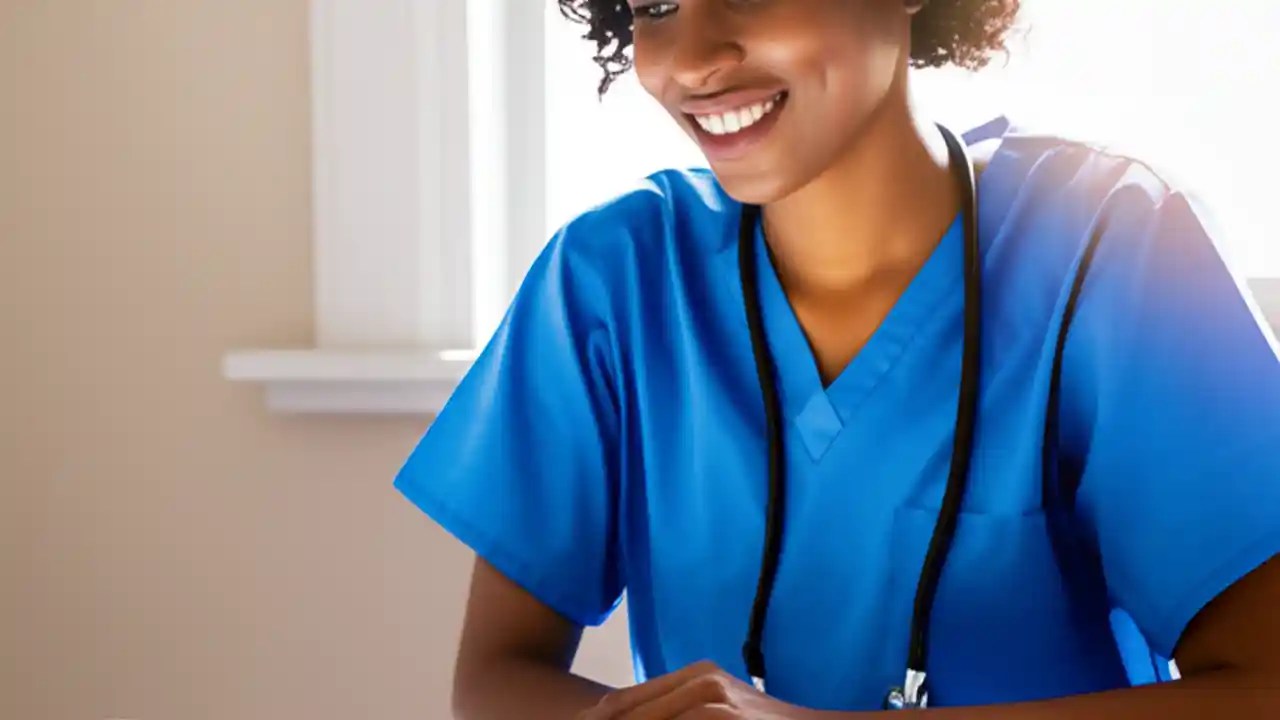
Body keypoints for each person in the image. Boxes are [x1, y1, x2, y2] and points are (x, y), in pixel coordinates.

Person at [394, 0, 1280, 717]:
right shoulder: (610, 279)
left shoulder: (1113, 246)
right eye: (655, 5)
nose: (694, 58)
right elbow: (497, 678)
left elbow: (1264, 683)